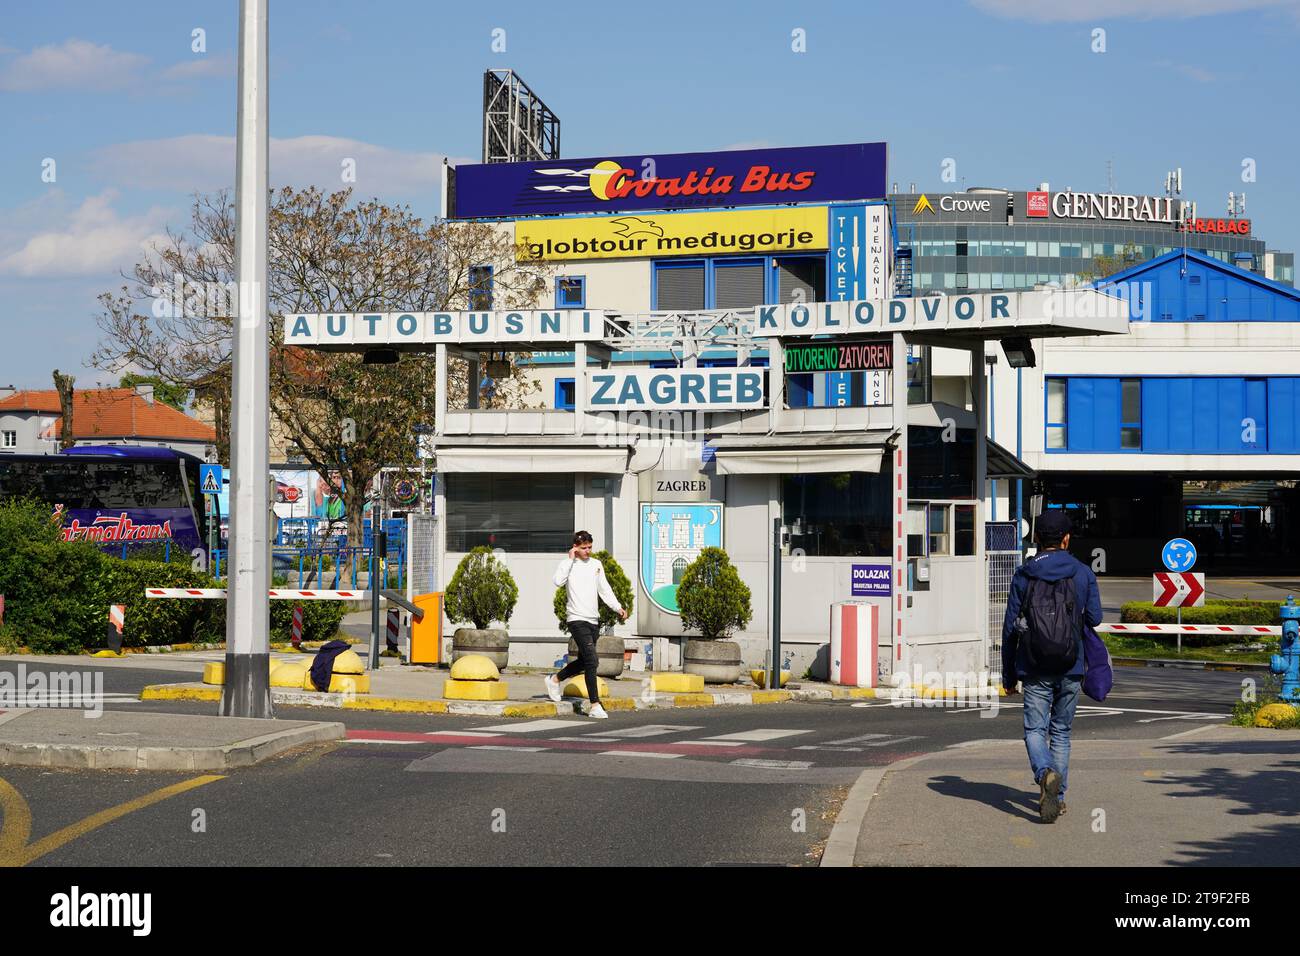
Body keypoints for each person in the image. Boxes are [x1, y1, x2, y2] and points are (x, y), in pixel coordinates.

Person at [1002, 511, 1102, 823]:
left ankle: (1044, 772)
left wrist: (1009, 674)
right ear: (1066, 538)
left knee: (1034, 729)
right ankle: (1057, 798)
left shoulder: (1024, 574)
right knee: (1061, 731)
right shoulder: (1083, 572)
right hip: (1071, 665)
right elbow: (1095, 618)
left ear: (1036, 540)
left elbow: (1009, 628)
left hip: (1034, 665)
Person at [545, 531, 627, 719]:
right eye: (583, 548)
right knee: (592, 661)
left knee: (584, 661)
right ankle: (595, 705)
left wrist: (618, 608)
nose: (588, 551)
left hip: (592, 620)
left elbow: (604, 589)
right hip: (576, 619)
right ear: (575, 547)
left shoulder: (596, 565)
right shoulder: (568, 565)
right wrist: (569, 560)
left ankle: (555, 679)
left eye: (590, 547)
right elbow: (557, 581)